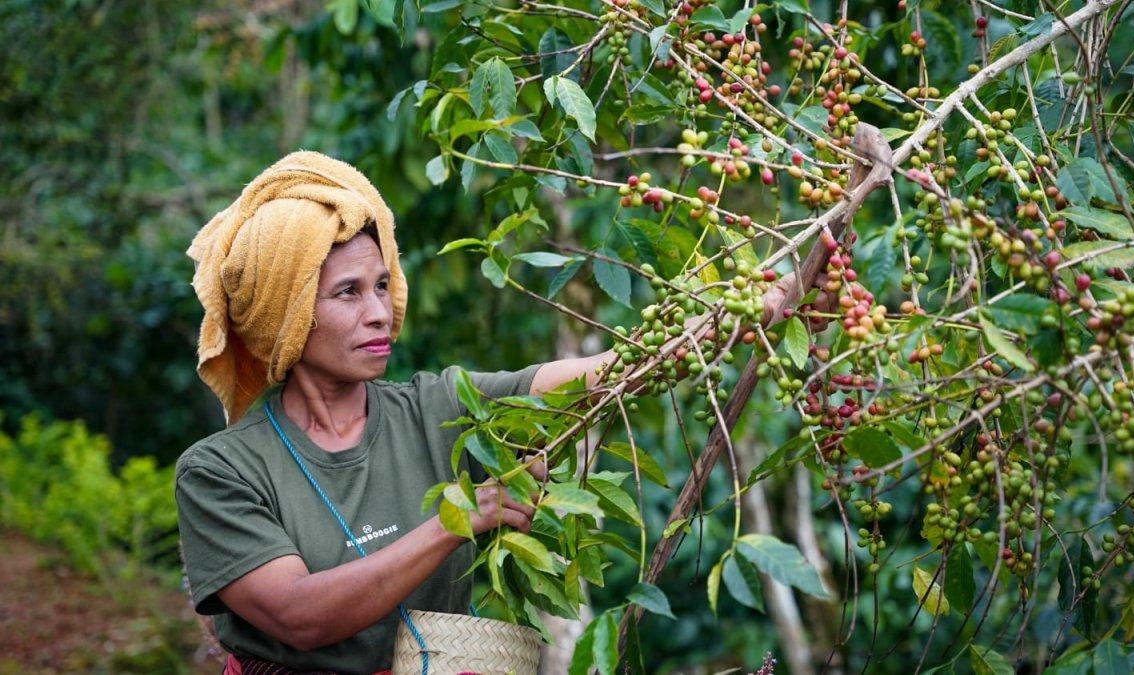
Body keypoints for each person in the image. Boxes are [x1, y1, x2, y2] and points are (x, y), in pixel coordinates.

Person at [175, 151, 799, 674]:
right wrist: (456, 520)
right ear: (286, 317)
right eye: (348, 293)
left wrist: (738, 315)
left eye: (382, 285)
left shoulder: (438, 408)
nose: (380, 313)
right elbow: (300, 616)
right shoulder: (221, 471)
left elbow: (610, 373)